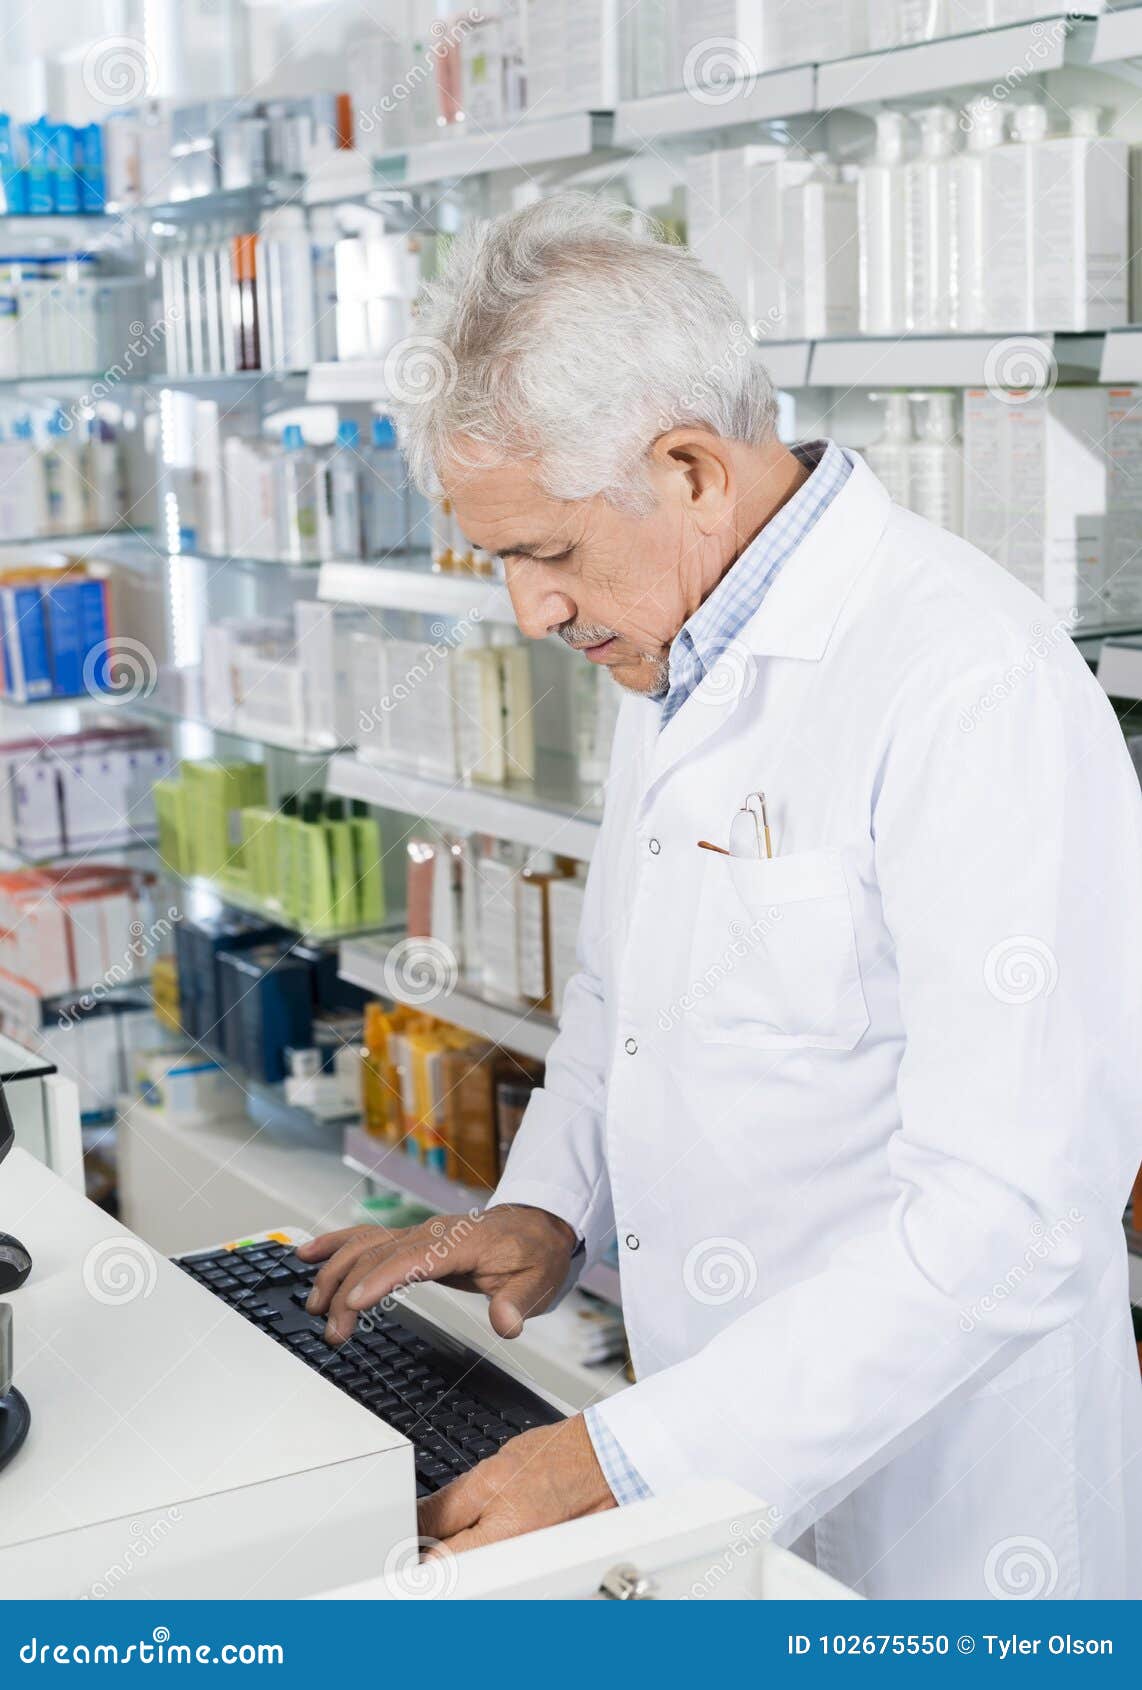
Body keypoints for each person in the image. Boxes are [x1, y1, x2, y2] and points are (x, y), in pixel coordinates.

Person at [301, 195, 1142, 1597]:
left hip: (952, 1511)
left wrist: (627, 1460)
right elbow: (622, 999)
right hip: (720, 1452)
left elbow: (1011, 1208)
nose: (530, 612)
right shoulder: (681, 634)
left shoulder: (963, 682)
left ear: (688, 467)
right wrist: (546, 1207)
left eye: (547, 553)